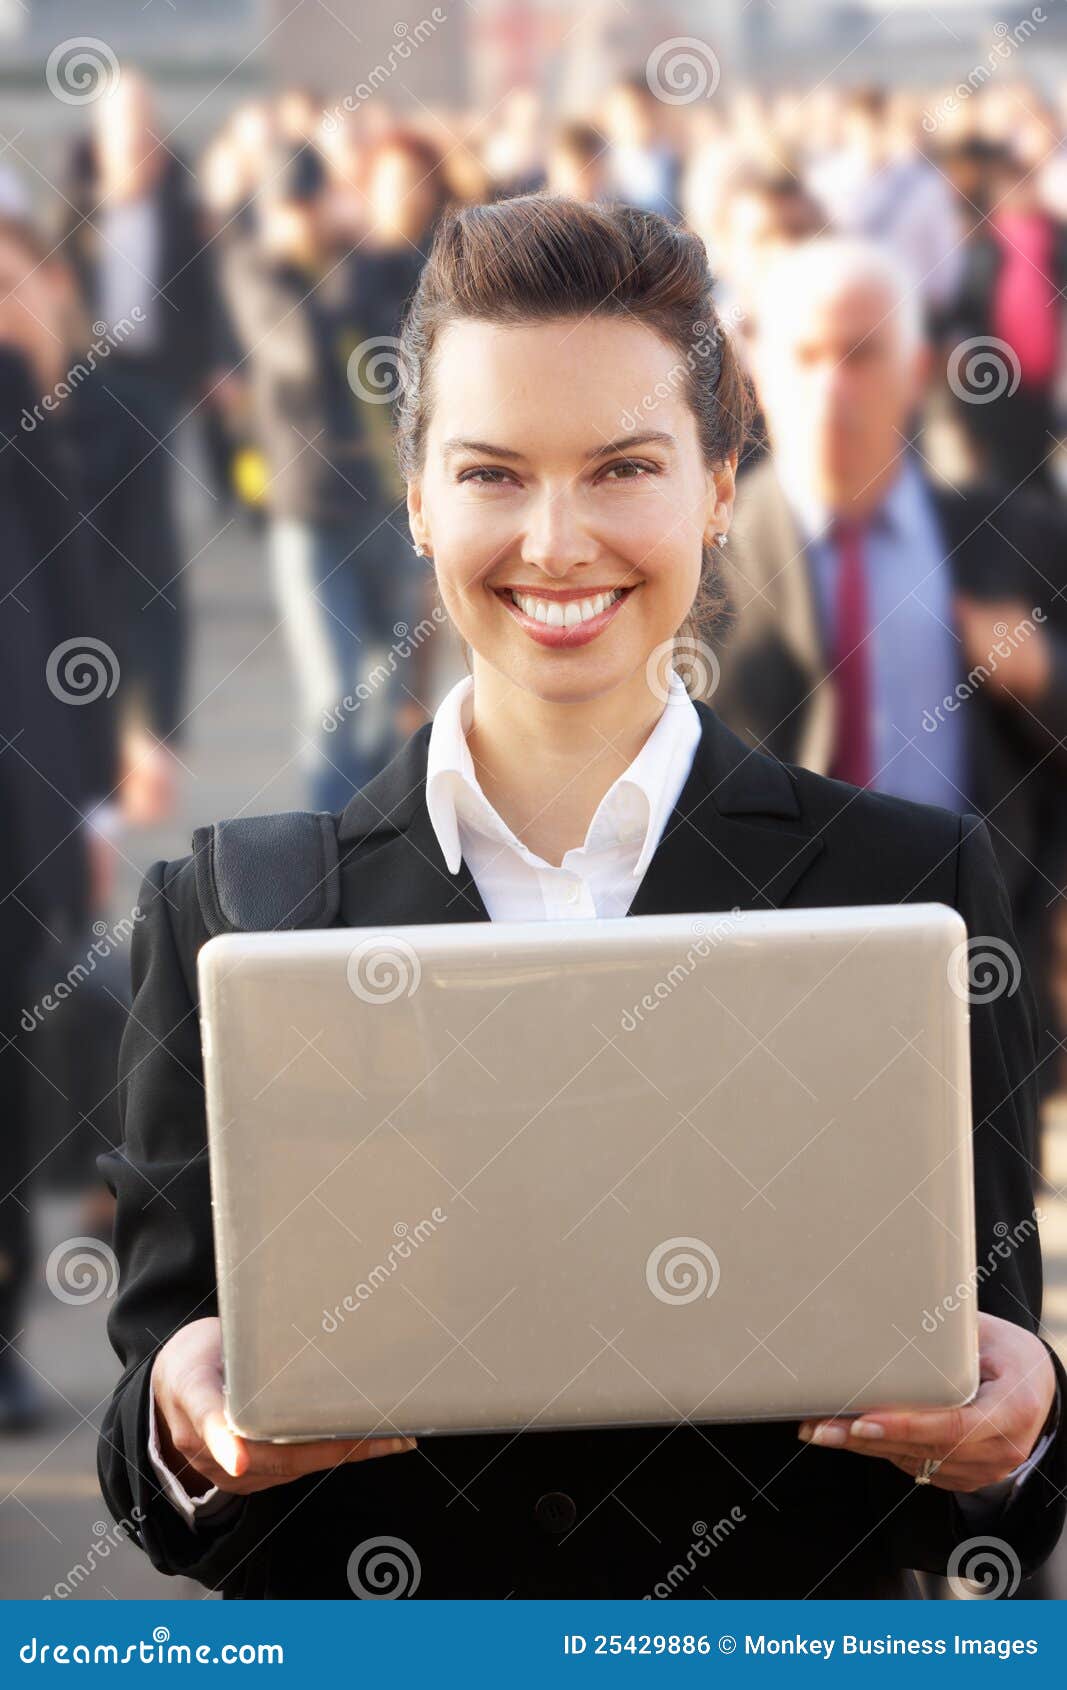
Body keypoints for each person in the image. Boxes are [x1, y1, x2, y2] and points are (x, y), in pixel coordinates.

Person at [98, 195, 1064, 1599]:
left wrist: (1019, 1426)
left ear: (719, 485)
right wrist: (185, 1429)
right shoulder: (232, 914)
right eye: (493, 474)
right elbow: (151, 1456)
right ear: (418, 498)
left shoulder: (906, 888)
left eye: (621, 467)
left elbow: (982, 1423)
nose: (555, 543)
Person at [716, 236, 1067, 1111]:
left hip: (977, 977)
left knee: (981, 1234)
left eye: (860, 355)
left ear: (913, 372)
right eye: (803, 357)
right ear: (757, 373)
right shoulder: (700, 566)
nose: (832, 386)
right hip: (766, 990)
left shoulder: (1010, 539)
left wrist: (1040, 677)